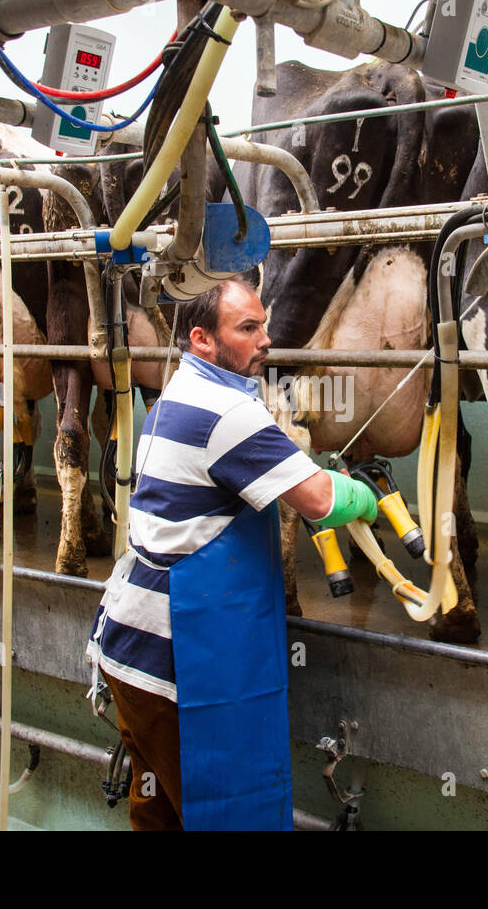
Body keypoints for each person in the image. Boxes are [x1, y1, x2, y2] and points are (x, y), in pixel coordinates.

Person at [85, 279, 379, 831]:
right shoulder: (226, 411)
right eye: (248, 328)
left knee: (161, 818)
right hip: (175, 668)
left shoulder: (178, 394)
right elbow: (317, 500)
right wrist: (363, 496)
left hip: (129, 650)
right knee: (226, 817)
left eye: (264, 324)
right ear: (201, 338)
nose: (266, 339)